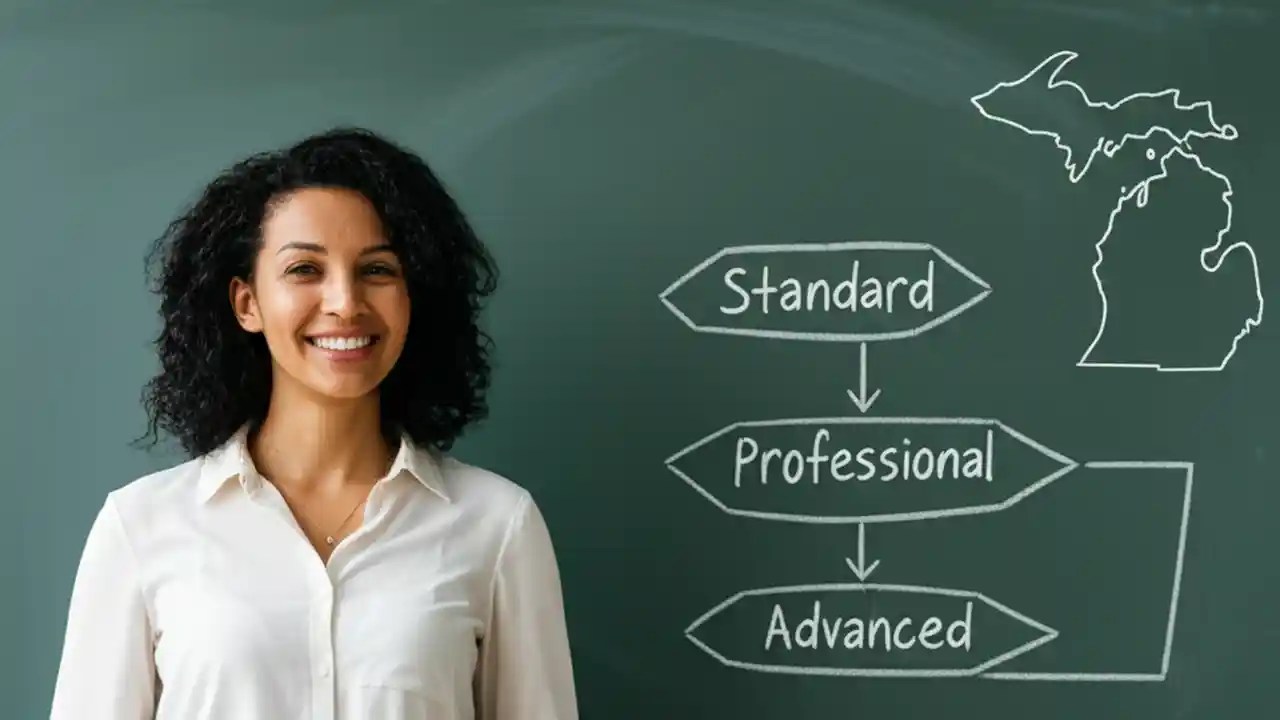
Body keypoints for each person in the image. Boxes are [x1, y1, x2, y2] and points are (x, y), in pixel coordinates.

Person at [49, 127, 579, 719]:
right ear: (247, 303)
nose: (345, 303)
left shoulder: (497, 525)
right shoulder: (140, 527)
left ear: (413, 297)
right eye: (304, 269)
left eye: (377, 270)